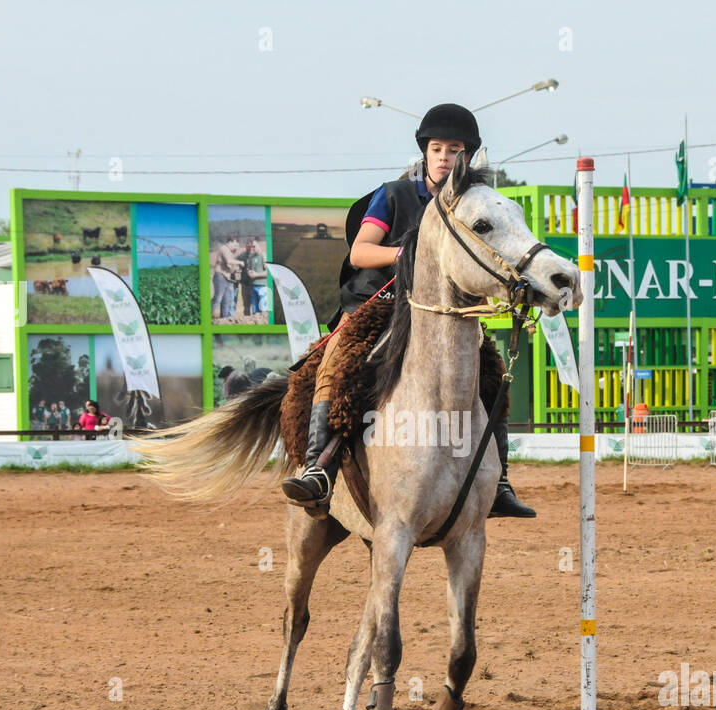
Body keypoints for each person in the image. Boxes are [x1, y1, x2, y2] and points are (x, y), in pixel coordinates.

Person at [280, 103, 534, 519]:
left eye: (454, 150)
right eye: (437, 148)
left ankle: (500, 481)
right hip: (376, 305)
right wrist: (408, 254)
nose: (444, 157)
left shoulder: (471, 207)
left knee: (489, 368)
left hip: (440, 313)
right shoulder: (394, 194)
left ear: (465, 157)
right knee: (340, 362)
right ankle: (317, 469)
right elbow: (361, 252)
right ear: (426, 151)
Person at [212, 237, 243, 321]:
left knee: (226, 301)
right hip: (220, 277)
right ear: (230, 242)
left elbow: (229, 266)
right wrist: (240, 262)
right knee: (218, 298)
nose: (236, 247)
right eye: (236, 245)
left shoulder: (230, 252)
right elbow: (229, 261)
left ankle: (224, 320)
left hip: (227, 278)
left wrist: (236, 270)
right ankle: (207, 316)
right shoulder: (224, 248)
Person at [240, 239, 268, 317]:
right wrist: (249, 272)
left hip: (262, 286)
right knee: (255, 311)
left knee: (264, 310)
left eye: (254, 246)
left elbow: (268, 272)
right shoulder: (251, 257)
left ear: (259, 246)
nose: (252, 248)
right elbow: (248, 268)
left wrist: (256, 275)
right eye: (251, 246)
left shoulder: (263, 255)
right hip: (252, 286)